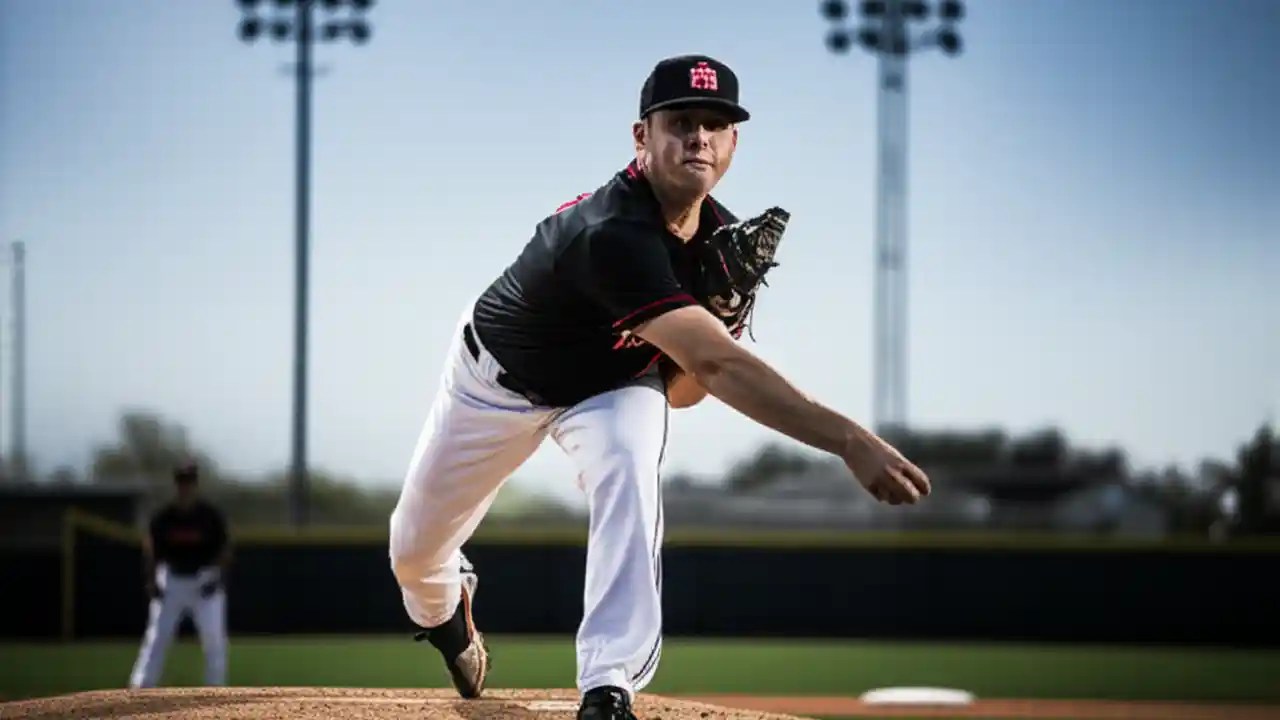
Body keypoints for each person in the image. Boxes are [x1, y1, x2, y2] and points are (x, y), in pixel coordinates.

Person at [388, 53, 931, 720]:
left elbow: (680, 390)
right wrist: (848, 439)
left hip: (610, 388)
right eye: (680, 121)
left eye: (715, 123)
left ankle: (609, 682)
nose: (698, 136)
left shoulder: (717, 240)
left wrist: (724, 311)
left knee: (627, 464)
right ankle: (447, 613)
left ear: (734, 142)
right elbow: (719, 369)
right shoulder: (610, 231)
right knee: (413, 553)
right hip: (495, 383)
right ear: (642, 136)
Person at [128, 461, 232, 689]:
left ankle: (216, 694)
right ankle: (140, 690)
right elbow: (151, 552)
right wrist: (151, 580)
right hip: (172, 581)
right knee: (157, 638)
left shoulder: (210, 516)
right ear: (177, 484)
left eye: (190, 481)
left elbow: (224, 551)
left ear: (196, 484)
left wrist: (218, 578)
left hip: (204, 581)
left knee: (214, 641)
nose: (186, 486)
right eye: (182, 481)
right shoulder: (164, 518)